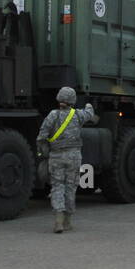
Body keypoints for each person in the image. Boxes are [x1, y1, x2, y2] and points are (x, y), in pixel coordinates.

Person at [36, 87, 98, 234]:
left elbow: (41, 137)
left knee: (57, 187)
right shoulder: (77, 115)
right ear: (72, 100)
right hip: (74, 157)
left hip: (56, 156)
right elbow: (90, 113)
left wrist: (43, 153)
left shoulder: (52, 115)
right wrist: (89, 104)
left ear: (59, 99)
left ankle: (58, 221)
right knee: (71, 187)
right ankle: (68, 221)